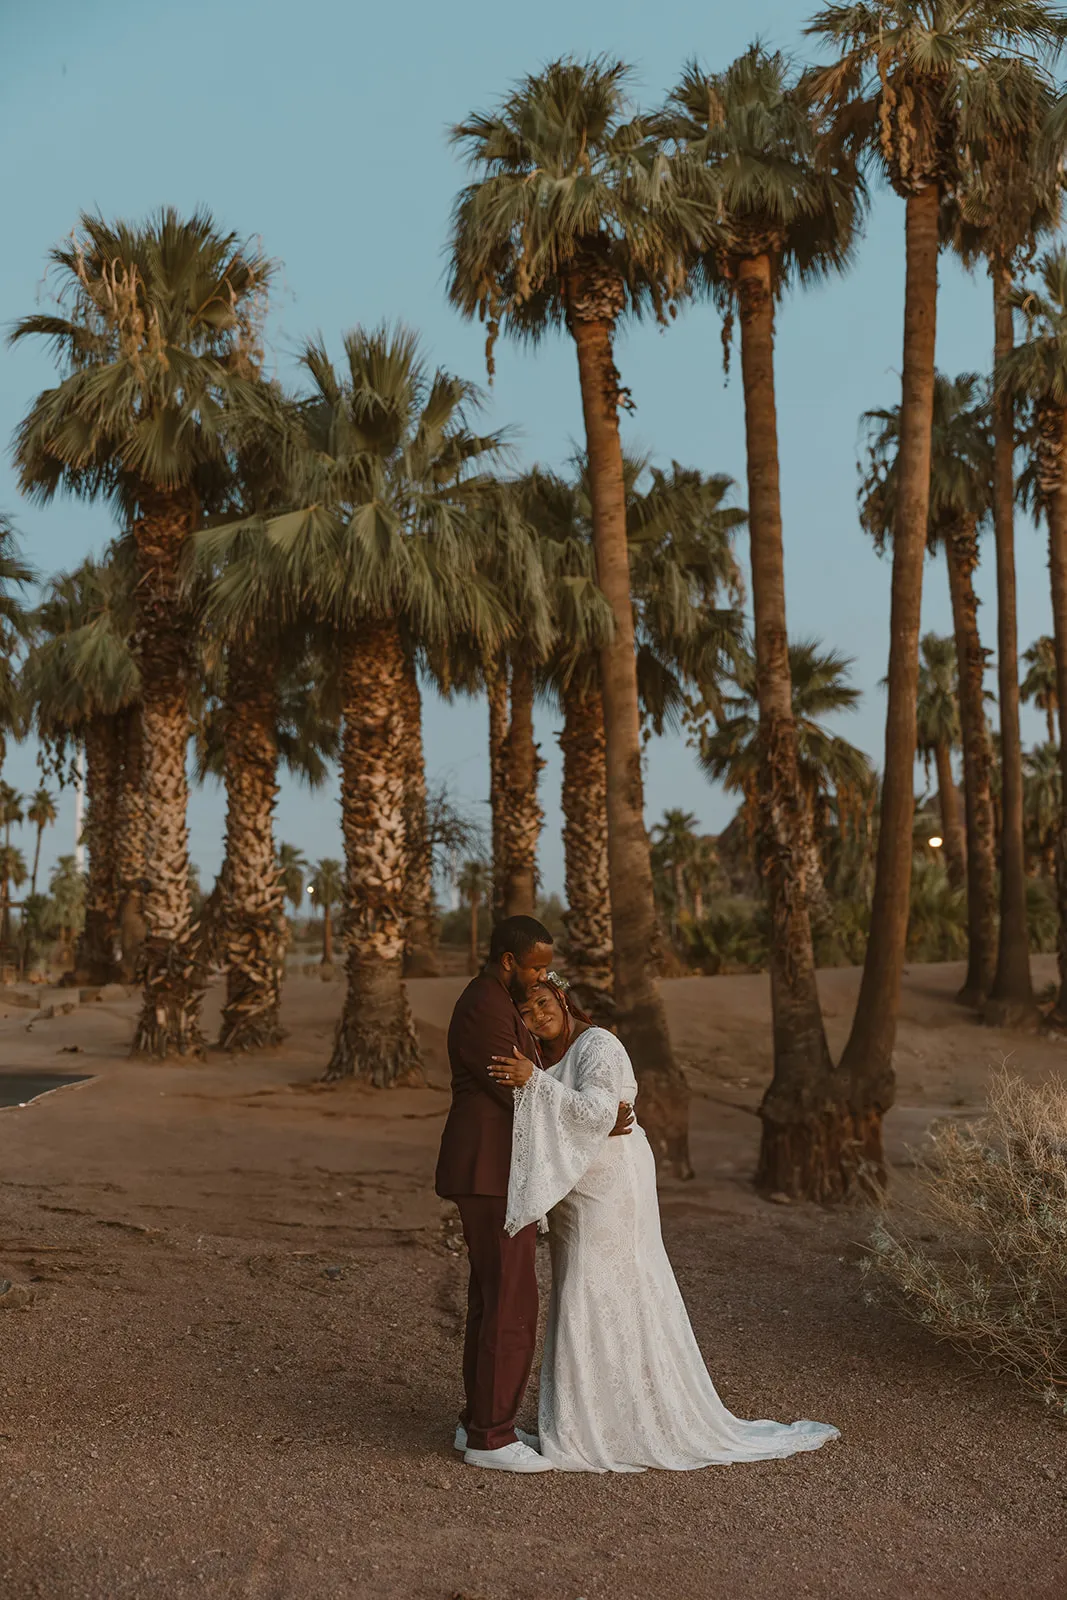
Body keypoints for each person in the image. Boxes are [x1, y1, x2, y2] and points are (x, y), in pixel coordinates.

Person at [489, 980, 840, 1474]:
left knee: (601, 1290)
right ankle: (586, 1420)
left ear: (562, 1001)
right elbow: (574, 1118)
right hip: (576, 1192)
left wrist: (534, 1082)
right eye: (525, 1013)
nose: (537, 1016)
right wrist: (538, 1081)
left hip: (613, 1191)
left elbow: (598, 1112)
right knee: (582, 1292)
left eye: (542, 1004)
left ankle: (620, 1424)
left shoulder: (599, 1044)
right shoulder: (542, 1058)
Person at [434, 916, 632, 1473]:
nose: (543, 976)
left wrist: (594, 1116)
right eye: (536, 967)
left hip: (497, 1173)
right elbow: (515, 1095)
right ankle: (491, 1439)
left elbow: (533, 1085)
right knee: (512, 1301)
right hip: (489, 1174)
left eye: (548, 967)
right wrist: (592, 1122)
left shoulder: (495, 1002)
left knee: (495, 1296)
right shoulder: (484, 1007)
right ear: (506, 962)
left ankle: (478, 1422)